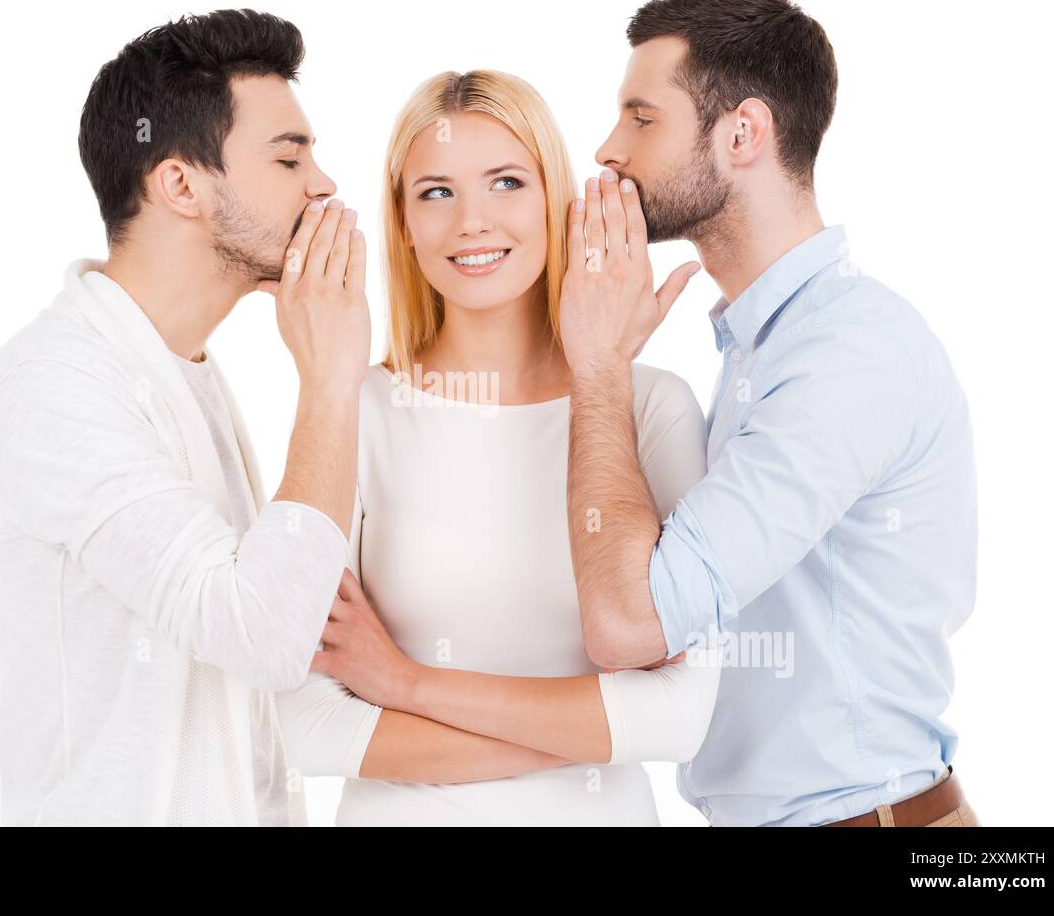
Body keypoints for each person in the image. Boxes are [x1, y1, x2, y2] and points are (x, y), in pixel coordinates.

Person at [558, 0, 980, 826]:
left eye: (642, 118)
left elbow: (632, 623)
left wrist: (598, 365)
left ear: (742, 133)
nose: (608, 149)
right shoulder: (766, 345)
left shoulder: (847, 352)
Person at [275, 70, 720, 826]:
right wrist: (593, 730)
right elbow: (308, 726)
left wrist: (405, 683)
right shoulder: (355, 409)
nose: (471, 222)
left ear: (557, 202)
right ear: (404, 223)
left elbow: (679, 720)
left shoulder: (649, 408)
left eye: (507, 182)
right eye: (437, 193)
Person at [0, 9, 370, 825]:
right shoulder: (55, 382)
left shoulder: (181, 368)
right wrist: (331, 375)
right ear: (180, 183)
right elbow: (261, 634)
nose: (322, 184)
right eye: (289, 156)